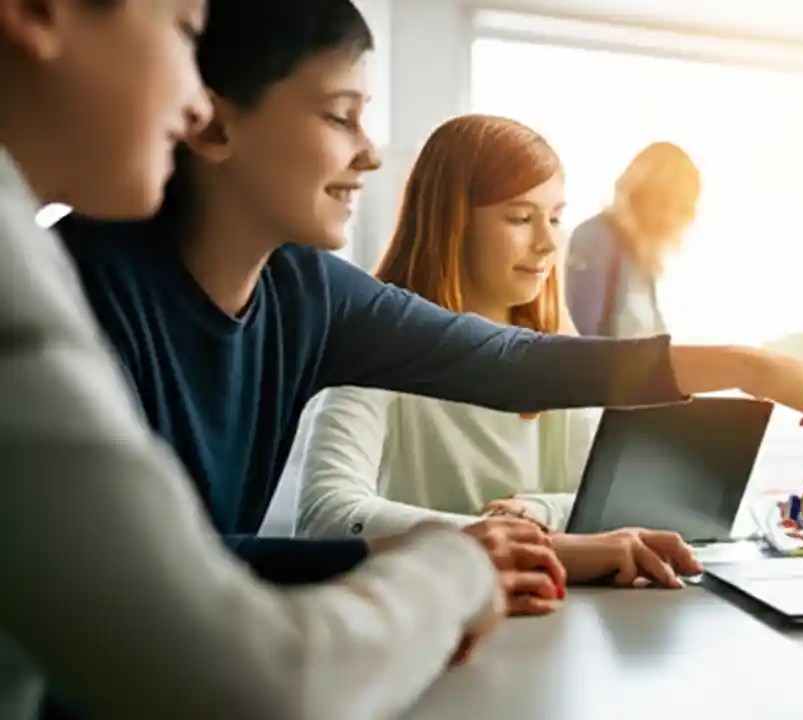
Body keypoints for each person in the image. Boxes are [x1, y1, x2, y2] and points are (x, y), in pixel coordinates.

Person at [56, 0, 803, 605]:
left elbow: (516, 364)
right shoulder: (80, 287)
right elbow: (142, 570)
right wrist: (464, 557)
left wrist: (754, 368)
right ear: (214, 124)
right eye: (340, 116)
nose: (370, 154)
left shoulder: (308, 291)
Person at [0, 1, 522, 718]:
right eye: (183, 28)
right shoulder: (40, 280)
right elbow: (259, 682)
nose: (195, 104)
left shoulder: (305, 289)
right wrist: (454, 564)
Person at [291, 115, 703, 600]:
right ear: (452, 223)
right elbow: (325, 516)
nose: (547, 243)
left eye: (554, 218)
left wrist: (537, 511)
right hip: (431, 615)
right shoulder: (372, 350)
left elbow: (607, 504)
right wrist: (509, 541)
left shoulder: (555, 357)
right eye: (521, 218)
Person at [565, 141, 699, 338]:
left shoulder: (641, 257)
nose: (669, 217)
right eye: (662, 202)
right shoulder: (595, 239)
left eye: (681, 208)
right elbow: (582, 338)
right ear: (637, 193)